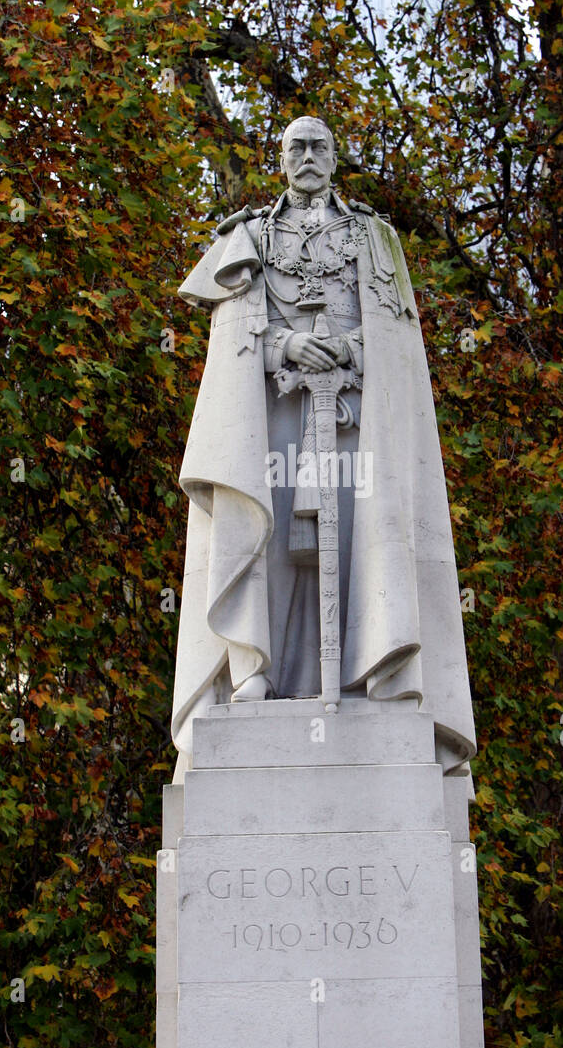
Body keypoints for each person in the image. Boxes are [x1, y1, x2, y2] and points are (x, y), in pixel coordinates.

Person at [170, 116, 476, 780]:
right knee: (265, 532)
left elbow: (397, 345)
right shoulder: (248, 237)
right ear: (280, 160)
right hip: (271, 416)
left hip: (353, 417)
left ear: (336, 158)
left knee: (359, 543)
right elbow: (234, 337)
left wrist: (347, 350)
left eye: (318, 147)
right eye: (295, 148)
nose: (307, 158)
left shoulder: (375, 238)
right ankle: (256, 669)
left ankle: (368, 672)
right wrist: (284, 345)